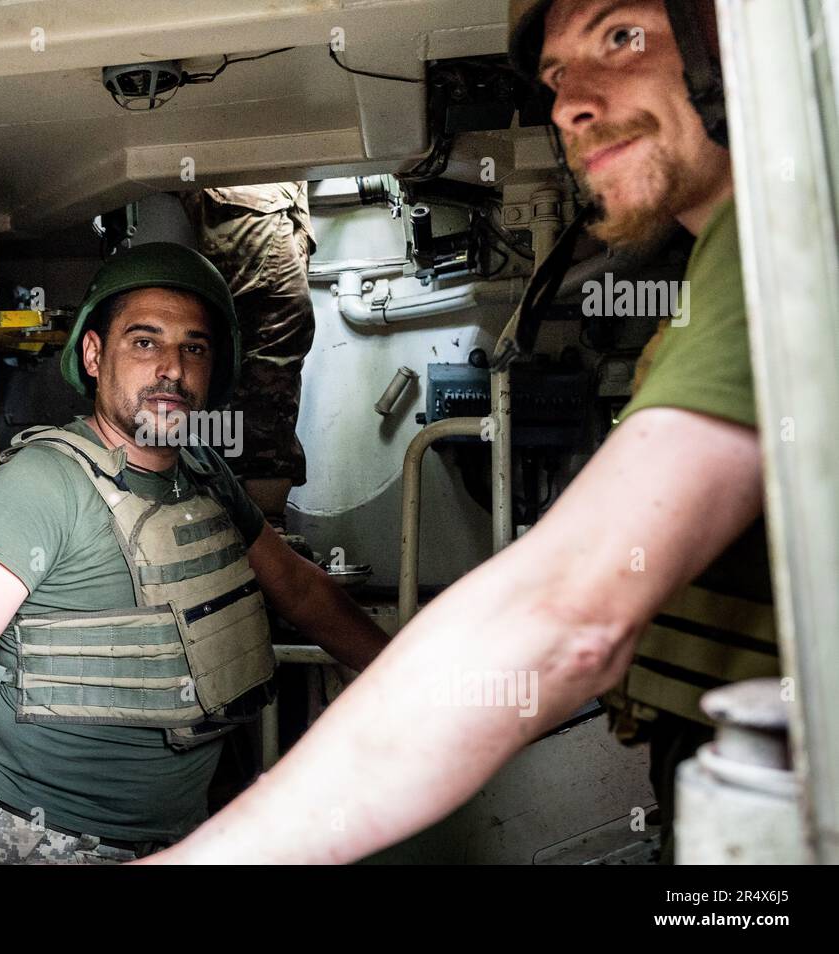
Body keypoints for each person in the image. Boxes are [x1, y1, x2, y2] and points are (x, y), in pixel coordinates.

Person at [140, 0, 776, 865]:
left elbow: (569, 616)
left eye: (620, 38)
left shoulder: (775, 244)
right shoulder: (743, 254)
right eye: (554, 76)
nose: (570, 105)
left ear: (731, 40)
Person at [0, 242, 389, 864]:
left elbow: (301, 590)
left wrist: (407, 679)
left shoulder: (205, 474)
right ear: (93, 356)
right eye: (145, 342)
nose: (171, 367)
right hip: (44, 844)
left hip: (181, 839)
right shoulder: (41, 484)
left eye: (193, 347)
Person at [179, 184, 318, 532]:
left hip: (269, 202)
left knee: (264, 367)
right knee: (265, 366)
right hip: (251, 195)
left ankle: (254, 532)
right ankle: (262, 534)